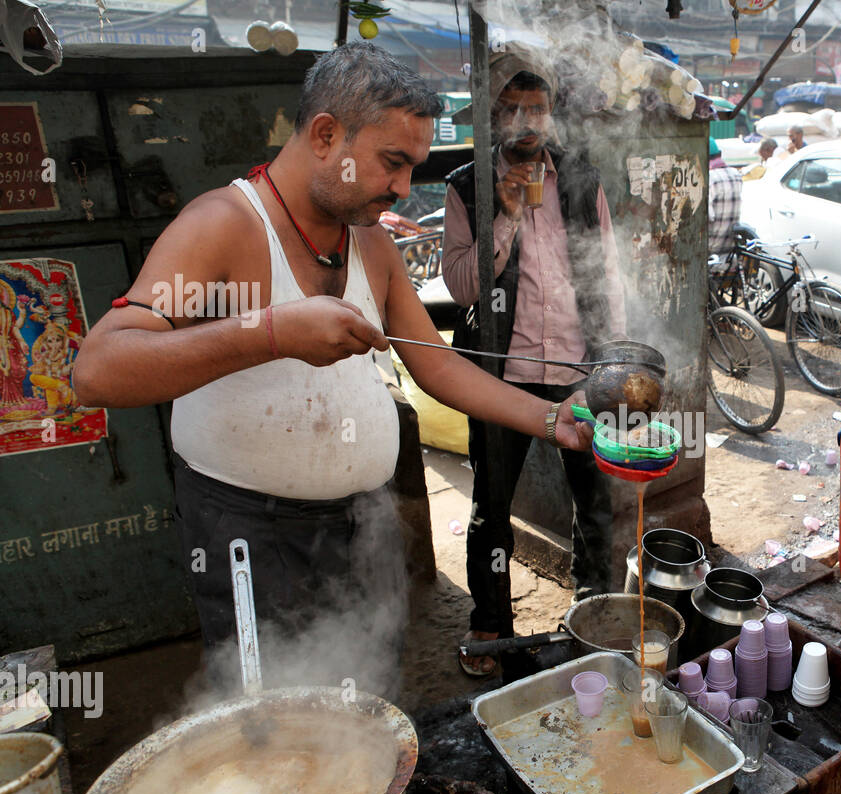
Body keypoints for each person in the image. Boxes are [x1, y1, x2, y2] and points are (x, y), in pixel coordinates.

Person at [70, 42, 591, 696]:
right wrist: (272, 331)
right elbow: (99, 369)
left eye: (414, 168)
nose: (404, 189)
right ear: (324, 135)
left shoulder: (370, 238)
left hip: (361, 525)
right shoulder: (223, 223)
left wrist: (551, 418)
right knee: (278, 716)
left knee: (366, 699)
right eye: (392, 163)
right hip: (250, 534)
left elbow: (438, 367)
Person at [442, 51, 627, 677]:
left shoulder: (580, 178)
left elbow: (606, 275)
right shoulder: (467, 186)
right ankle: (491, 623)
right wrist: (509, 212)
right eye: (513, 108)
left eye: (537, 107)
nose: (527, 121)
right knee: (490, 507)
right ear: (493, 116)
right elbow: (465, 288)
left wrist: (616, 362)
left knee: (593, 503)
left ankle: (595, 611)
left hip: (578, 372)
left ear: (550, 115)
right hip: (502, 380)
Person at [707, 138, 744, 257]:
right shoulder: (736, 174)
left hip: (710, 249)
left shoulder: (709, 178)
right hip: (730, 249)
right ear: (720, 154)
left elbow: (708, 216)